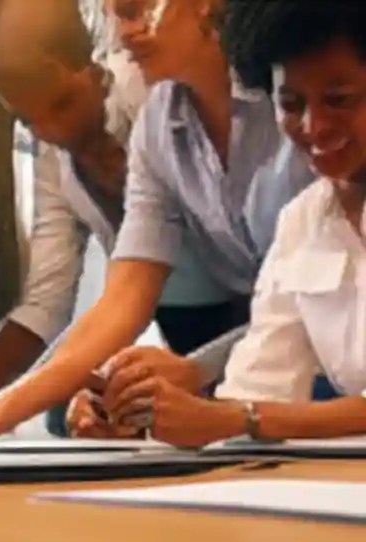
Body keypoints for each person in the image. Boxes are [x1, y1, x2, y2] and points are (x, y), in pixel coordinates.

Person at [0, 0, 315, 436]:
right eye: (114, 17)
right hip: (255, 339)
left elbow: (312, 304)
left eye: (136, 10)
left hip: (316, 337)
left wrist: (198, 370)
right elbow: (124, 298)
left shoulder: (293, 102)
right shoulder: (161, 121)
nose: (124, 35)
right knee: (77, 407)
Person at [0, 0, 239, 416]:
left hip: (250, 305)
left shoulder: (155, 99)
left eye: (61, 104)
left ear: (97, 65)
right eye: (29, 121)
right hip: (169, 318)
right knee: (69, 410)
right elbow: (58, 298)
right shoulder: (58, 159)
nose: (50, 130)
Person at [100, 0, 366, 447]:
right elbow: (256, 387)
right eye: (290, 103)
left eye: (339, 101)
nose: (313, 126)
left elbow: (248, 415)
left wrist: (244, 419)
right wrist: (142, 413)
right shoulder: (301, 223)